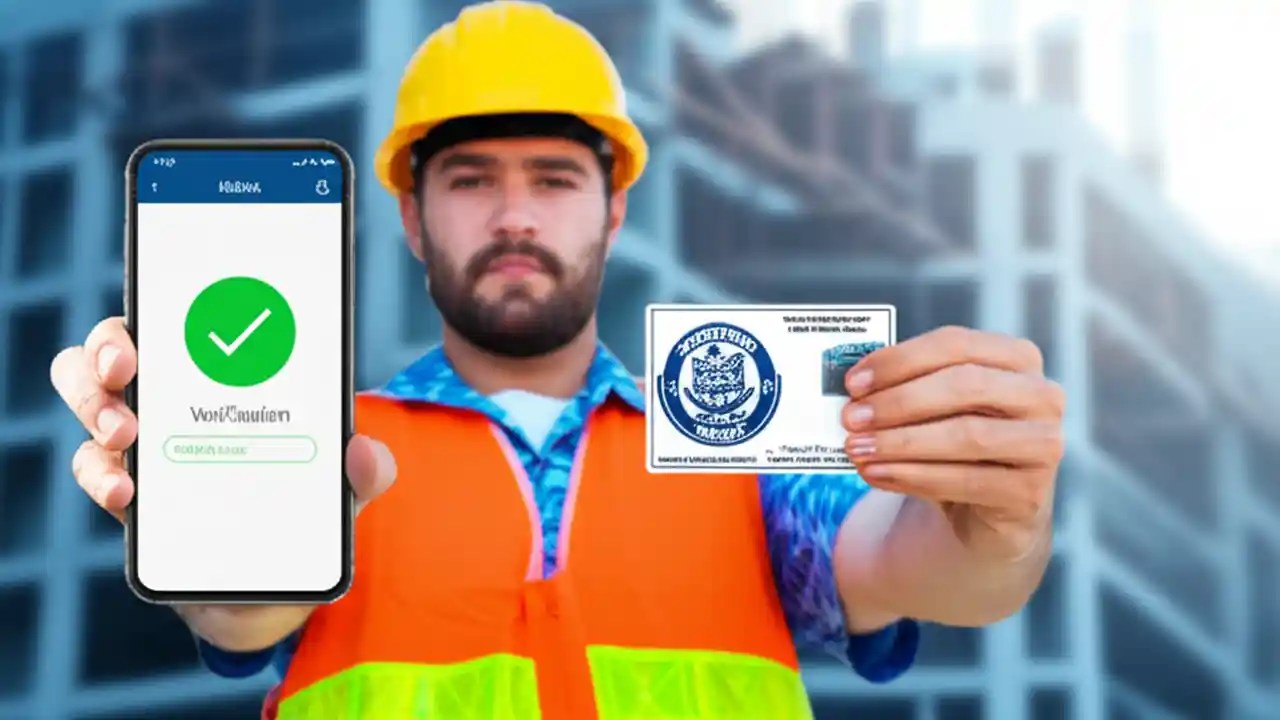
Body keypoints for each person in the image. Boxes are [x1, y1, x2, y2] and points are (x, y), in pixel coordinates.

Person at [50, 2, 1066, 718]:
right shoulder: (329, 440)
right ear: (410, 218)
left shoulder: (726, 435)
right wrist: (221, 546)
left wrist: (996, 526)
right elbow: (241, 618)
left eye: (552, 177)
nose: (513, 214)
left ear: (613, 209)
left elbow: (910, 564)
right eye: (469, 179)